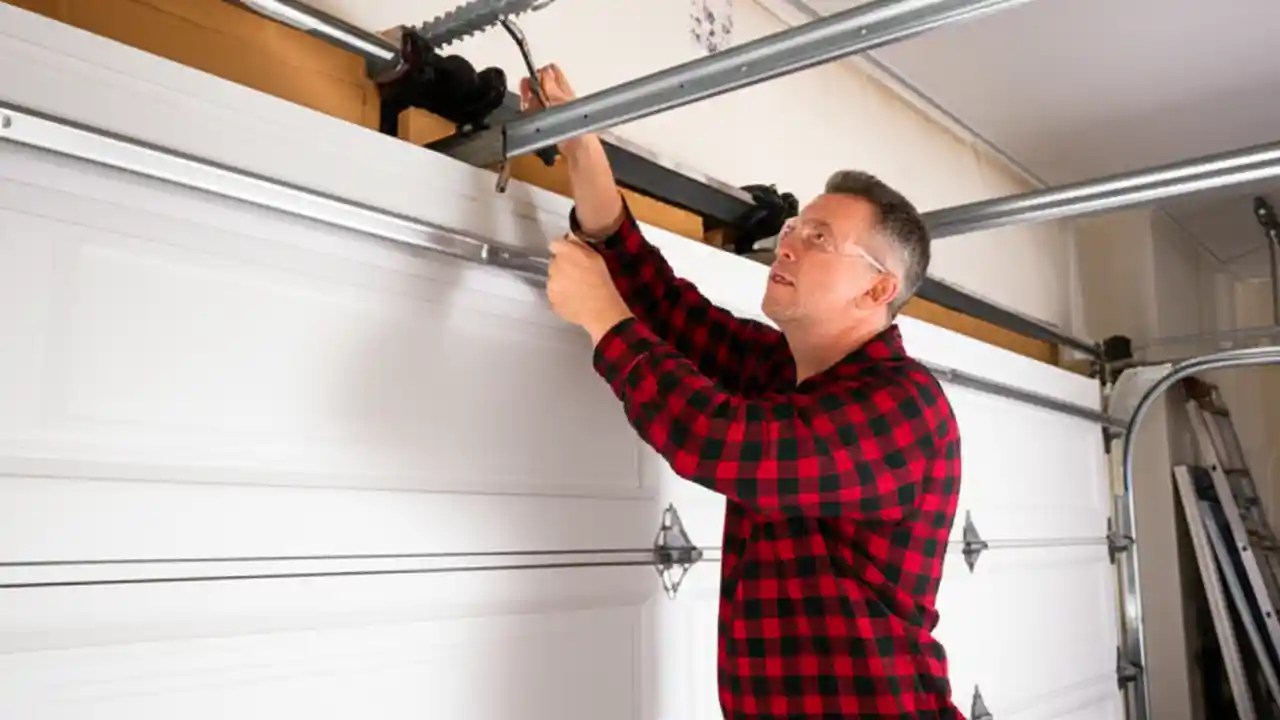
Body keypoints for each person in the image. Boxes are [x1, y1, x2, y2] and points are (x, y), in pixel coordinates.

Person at [525, 64, 963, 719]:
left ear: (878, 290)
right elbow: (667, 307)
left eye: (820, 239)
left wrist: (603, 320)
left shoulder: (907, 409)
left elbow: (723, 442)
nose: (788, 246)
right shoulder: (784, 373)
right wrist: (584, 149)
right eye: (794, 230)